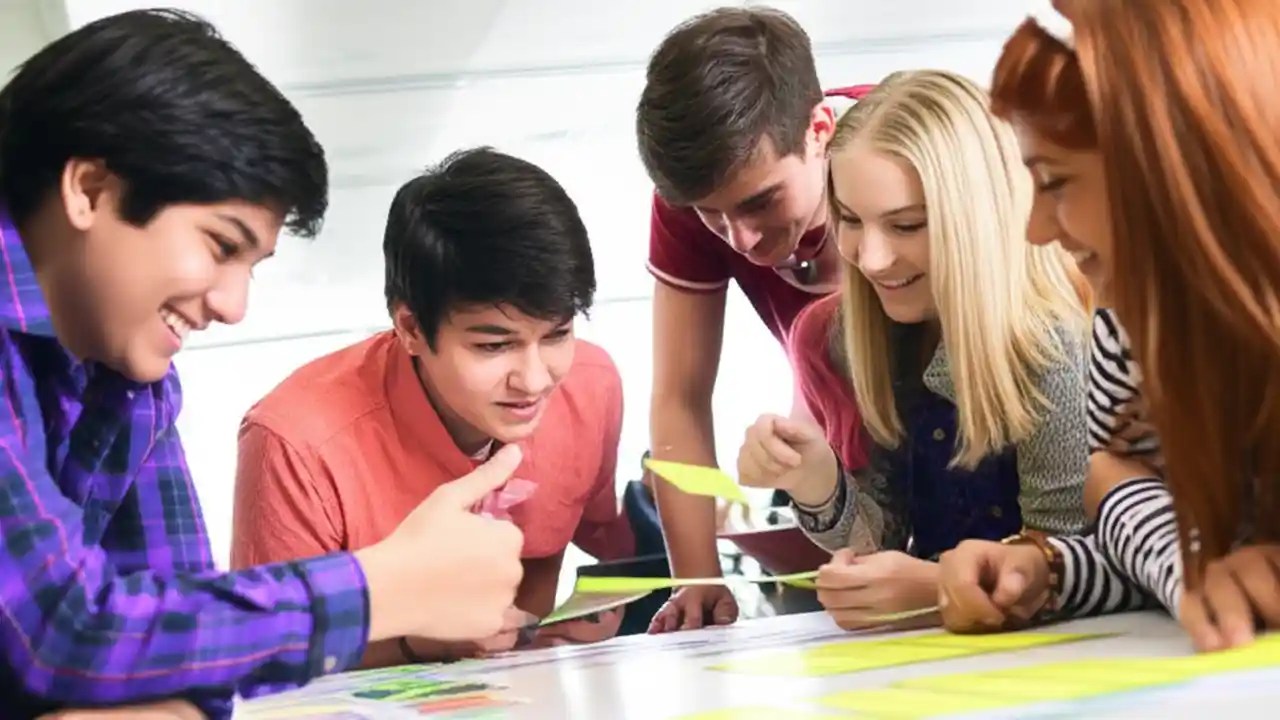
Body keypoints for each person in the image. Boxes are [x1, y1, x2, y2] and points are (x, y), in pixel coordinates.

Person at [0, 11, 524, 718]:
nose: (234, 305)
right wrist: (382, 588)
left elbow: (185, 661)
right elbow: (62, 631)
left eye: (253, 266)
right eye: (221, 246)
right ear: (90, 190)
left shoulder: (131, 379)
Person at [938, 0, 1280, 653]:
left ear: (1175, 162)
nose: (1036, 230)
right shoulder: (1134, 322)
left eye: (1055, 182)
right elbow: (1123, 493)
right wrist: (1052, 571)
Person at [231, 147, 635, 666]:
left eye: (557, 334)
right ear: (412, 329)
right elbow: (265, 660)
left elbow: (610, 542)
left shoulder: (591, 385)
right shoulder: (296, 443)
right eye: (494, 345)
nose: (535, 379)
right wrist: (416, 642)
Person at [736, 69, 1093, 630]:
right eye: (849, 220)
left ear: (982, 221)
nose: (871, 258)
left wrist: (931, 586)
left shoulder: (1051, 340)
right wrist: (815, 477)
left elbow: (1068, 562)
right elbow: (880, 538)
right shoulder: (863, 335)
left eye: (907, 225)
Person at [635, 4, 873, 633]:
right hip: (856, 492)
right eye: (710, 215)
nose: (739, 238)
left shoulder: (918, 144)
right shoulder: (692, 202)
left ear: (820, 130)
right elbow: (680, 396)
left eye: (761, 202)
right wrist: (696, 578)